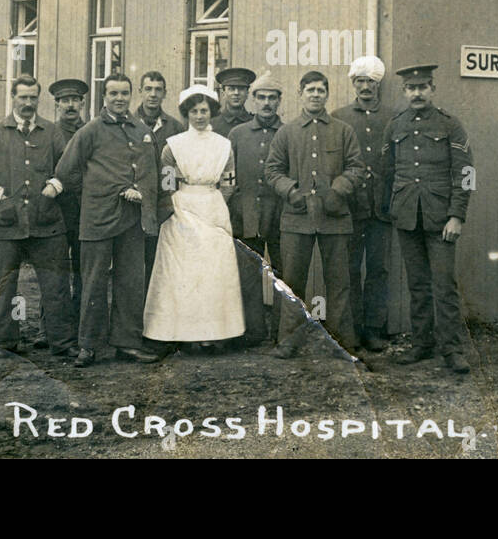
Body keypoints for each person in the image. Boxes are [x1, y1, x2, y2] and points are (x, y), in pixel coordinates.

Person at [53, 71, 162, 366]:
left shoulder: (141, 130)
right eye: (113, 93)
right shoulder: (89, 131)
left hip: (132, 221)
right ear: (104, 97)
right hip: (98, 219)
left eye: (124, 94)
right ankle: (87, 344)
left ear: (131, 96)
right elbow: (66, 172)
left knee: (130, 282)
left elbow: (150, 173)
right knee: (93, 283)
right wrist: (99, 192)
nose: (119, 99)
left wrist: (140, 192)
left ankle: (127, 342)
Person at [0, 74, 76, 360]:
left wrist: (55, 186)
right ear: (13, 98)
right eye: (23, 97)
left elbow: (67, 169)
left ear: (38, 99)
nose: (28, 103)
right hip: (7, 225)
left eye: (32, 97)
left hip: (48, 225)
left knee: (55, 287)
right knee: (6, 286)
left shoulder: (51, 132)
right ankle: (4, 342)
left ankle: (62, 342)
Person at [383, 64, 474, 374]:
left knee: (444, 285)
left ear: (432, 89)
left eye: (423, 87)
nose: (417, 92)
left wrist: (456, 216)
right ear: (404, 91)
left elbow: (466, 174)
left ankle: (452, 349)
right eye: (412, 88)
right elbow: (388, 171)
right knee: (418, 285)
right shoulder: (395, 125)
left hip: (440, 220)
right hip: (407, 217)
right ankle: (422, 344)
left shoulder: (451, 125)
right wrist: (391, 210)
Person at [264, 70, 362, 358]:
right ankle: (289, 342)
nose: (316, 95)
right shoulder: (287, 132)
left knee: (339, 282)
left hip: (335, 219)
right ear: (300, 94)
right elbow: (272, 170)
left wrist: (338, 190)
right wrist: (292, 192)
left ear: (327, 94)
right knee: (292, 283)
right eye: (310, 90)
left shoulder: (343, 131)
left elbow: (356, 167)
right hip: (297, 220)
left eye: (321, 90)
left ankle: (342, 341)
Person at [143, 85, 245, 349]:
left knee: (213, 273)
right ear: (186, 114)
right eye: (194, 111)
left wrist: (213, 204)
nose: (200, 116)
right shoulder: (173, 146)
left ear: (212, 112)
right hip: (181, 210)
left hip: (213, 209)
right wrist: (182, 205)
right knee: (182, 273)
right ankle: (181, 333)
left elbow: (229, 182)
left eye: (204, 111)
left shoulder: (224, 146)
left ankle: (213, 333)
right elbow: (167, 183)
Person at [333, 56, 395, 352]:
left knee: (379, 269)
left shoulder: (392, 118)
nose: (366, 86)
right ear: (353, 84)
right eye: (360, 81)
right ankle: (352, 329)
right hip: (351, 208)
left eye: (371, 81)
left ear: (378, 84)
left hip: (381, 208)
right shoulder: (340, 116)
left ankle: (374, 329)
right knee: (350, 268)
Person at [30, 77, 87, 350]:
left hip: (84, 212)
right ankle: (47, 328)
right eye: (65, 101)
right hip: (56, 212)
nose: (70, 105)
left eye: (75, 100)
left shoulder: (89, 131)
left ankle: (76, 327)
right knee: (53, 272)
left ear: (82, 103)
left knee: (82, 271)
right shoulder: (48, 133)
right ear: (57, 104)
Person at [227, 72, 284, 345]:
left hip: (281, 215)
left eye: (272, 98)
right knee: (249, 276)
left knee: (285, 276)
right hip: (246, 214)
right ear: (253, 100)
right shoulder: (237, 134)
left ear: (279, 101)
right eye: (261, 97)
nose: (266, 103)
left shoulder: (288, 132)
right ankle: (254, 331)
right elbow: (229, 176)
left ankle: (282, 332)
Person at [133, 70, 186, 287]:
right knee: (133, 265)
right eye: (148, 89)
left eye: (158, 90)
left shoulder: (174, 127)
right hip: (134, 205)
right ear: (140, 92)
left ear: (165, 93)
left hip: (163, 206)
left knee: (159, 264)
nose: (153, 94)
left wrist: (168, 200)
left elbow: (175, 168)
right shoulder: (128, 123)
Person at [210, 67, 255, 136]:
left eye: (241, 89)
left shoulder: (254, 123)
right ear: (223, 93)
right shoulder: (211, 124)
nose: (236, 93)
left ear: (247, 93)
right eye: (231, 89)